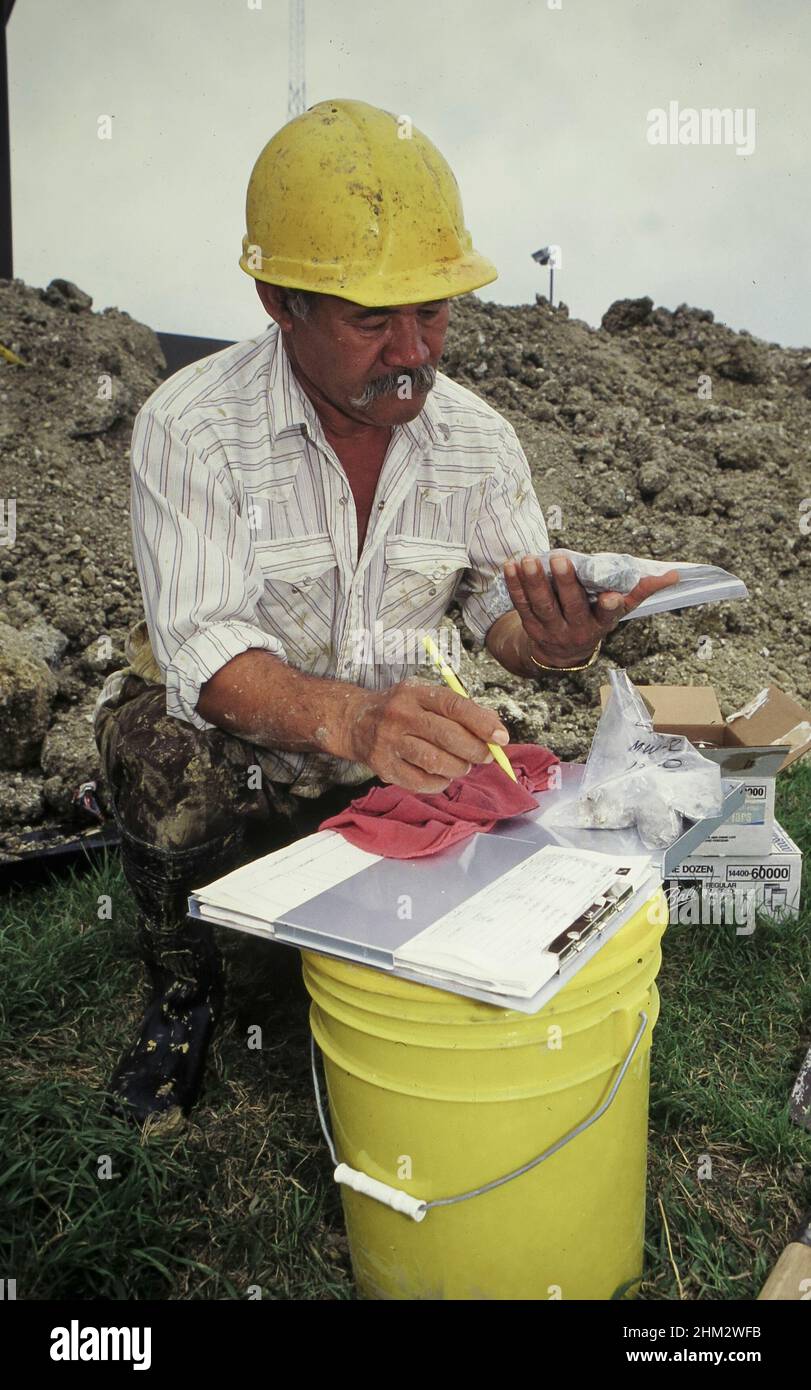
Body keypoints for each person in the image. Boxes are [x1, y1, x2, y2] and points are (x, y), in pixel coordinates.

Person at [94, 98, 676, 1127]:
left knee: (522, 755)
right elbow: (206, 649)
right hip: (254, 750)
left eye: (434, 312)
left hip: (390, 762)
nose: (413, 350)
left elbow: (498, 606)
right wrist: (355, 718)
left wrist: (546, 637)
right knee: (157, 751)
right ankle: (185, 994)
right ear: (281, 300)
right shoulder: (192, 429)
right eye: (372, 320)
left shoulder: (477, 440)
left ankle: (414, 926)